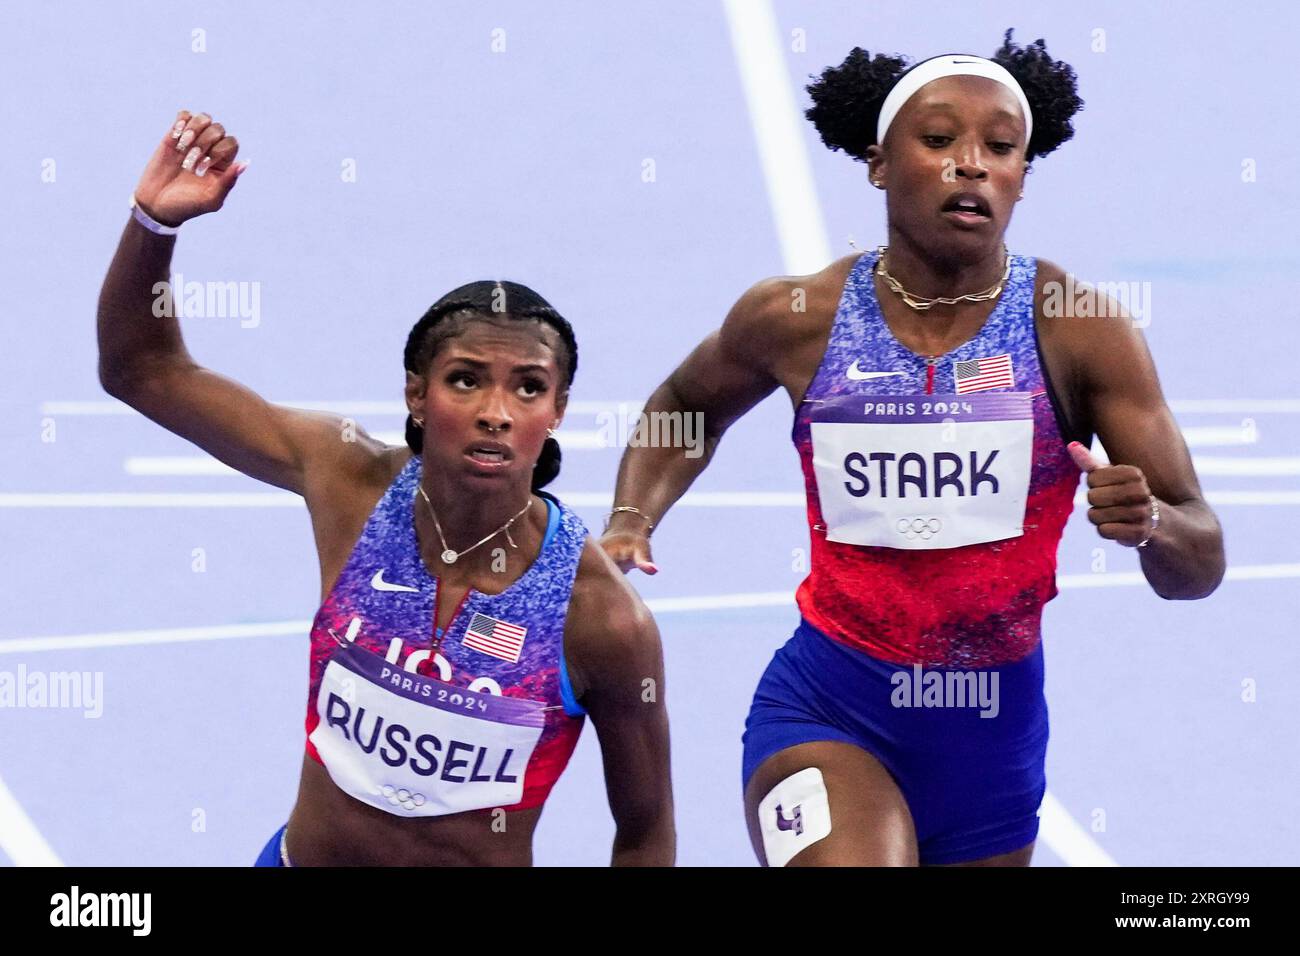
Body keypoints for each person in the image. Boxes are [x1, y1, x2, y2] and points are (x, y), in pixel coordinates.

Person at [599, 30, 1224, 866]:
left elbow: (1201, 560)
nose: (971, 165)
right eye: (938, 140)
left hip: (992, 749)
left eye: (1000, 149)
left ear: (1021, 178)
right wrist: (634, 515)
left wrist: (1149, 524)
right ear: (878, 163)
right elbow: (686, 405)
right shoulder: (798, 316)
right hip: (828, 710)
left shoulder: (1079, 329)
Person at [98, 110, 674, 866]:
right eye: (465, 381)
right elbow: (142, 370)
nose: (495, 413)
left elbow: (645, 834)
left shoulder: (601, 619)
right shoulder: (348, 481)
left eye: (527, 389)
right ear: (416, 393)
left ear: (557, 412)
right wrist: (153, 226)